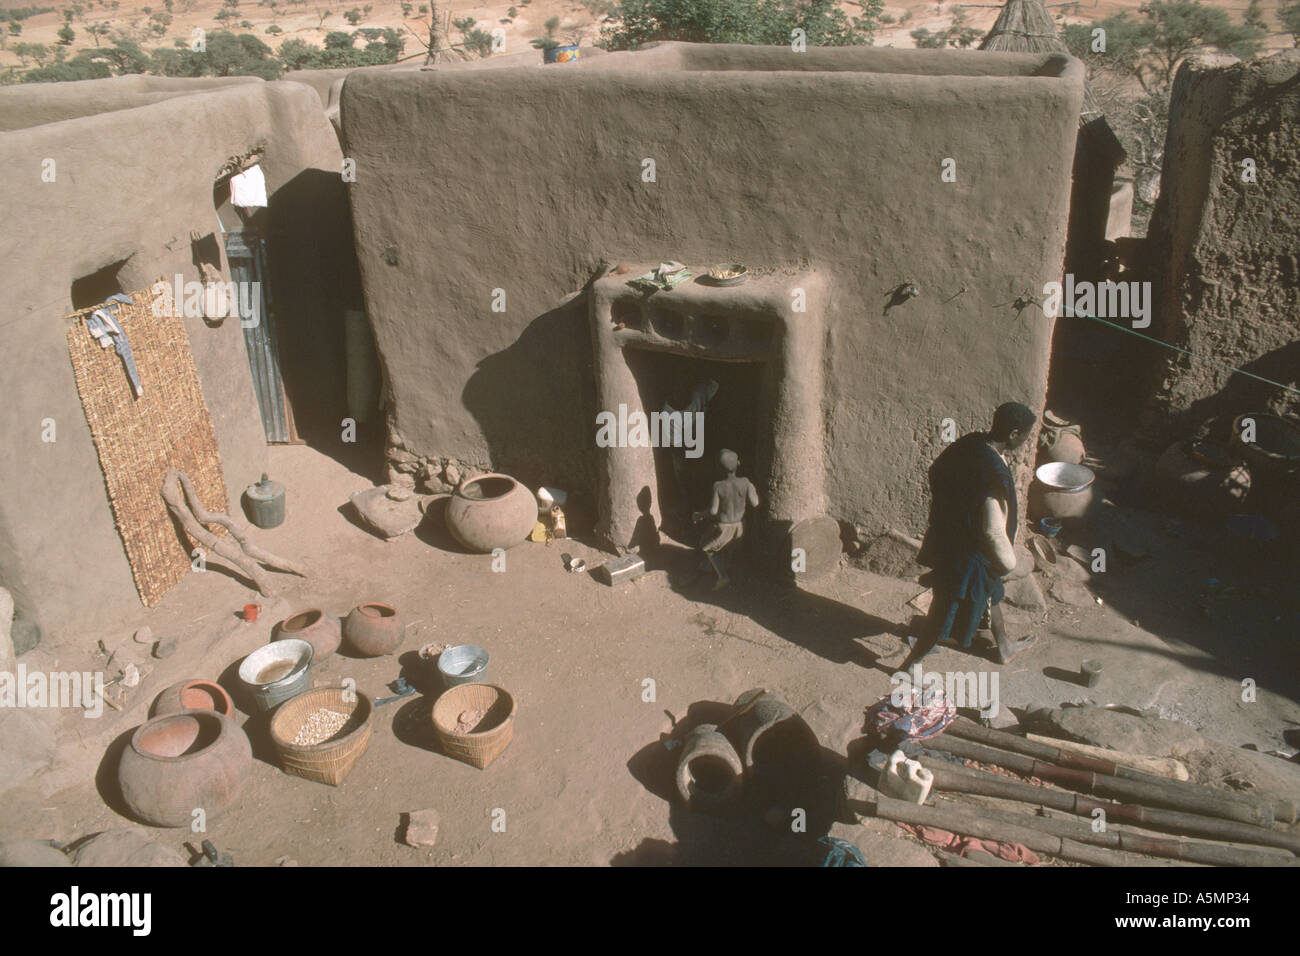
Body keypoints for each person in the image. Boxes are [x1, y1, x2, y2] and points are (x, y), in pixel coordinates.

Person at [898, 402, 1039, 669]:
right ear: (1013, 434)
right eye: (1025, 436)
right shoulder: (992, 474)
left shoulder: (971, 443)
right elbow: (991, 530)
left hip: (950, 536)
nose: (1025, 441)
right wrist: (1007, 561)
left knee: (992, 589)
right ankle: (910, 665)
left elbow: (935, 472)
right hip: (968, 552)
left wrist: (951, 511)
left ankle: (1005, 647)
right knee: (943, 610)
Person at [693, 448, 758, 590]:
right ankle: (712, 566)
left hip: (724, 527)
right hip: (740, 525)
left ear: (719, 468)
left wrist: (699, 515)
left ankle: (723, 576)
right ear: (739, 463)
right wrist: (749, 488)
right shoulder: (746, 482)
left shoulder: (718, 486)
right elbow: (755, 502)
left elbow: (713, 510)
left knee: (708, 548)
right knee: (728, 547)